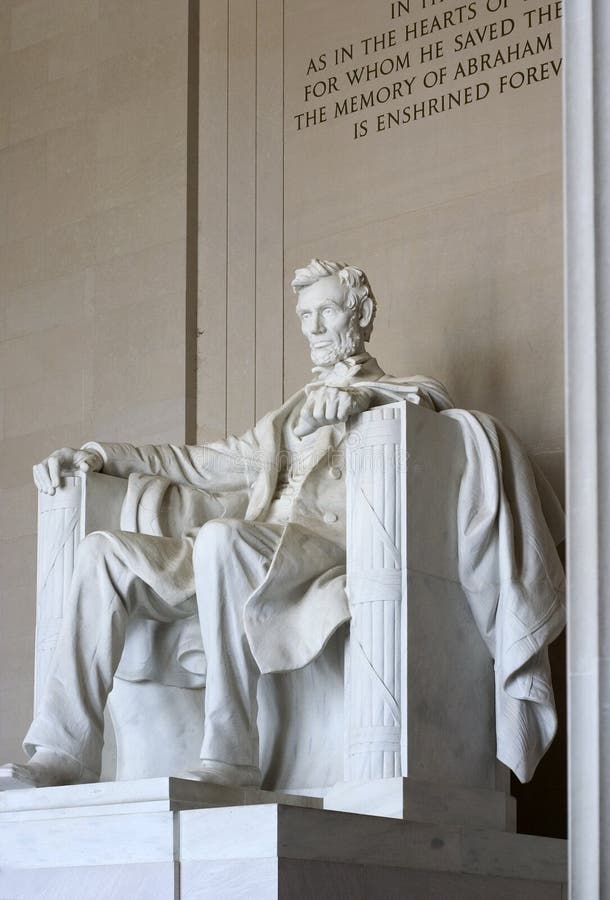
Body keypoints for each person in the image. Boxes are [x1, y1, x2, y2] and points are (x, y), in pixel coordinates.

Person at [0, 259, 450, 790]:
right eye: (305, 315)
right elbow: (195, 463)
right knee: (103, 552)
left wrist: (363, 397)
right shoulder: (286, 418)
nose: (312, 327)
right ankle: (64, 752)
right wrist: (97, 455)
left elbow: (433, 401)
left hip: (318, 549)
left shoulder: (401, 393)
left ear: (362, 313)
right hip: (244, 549)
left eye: (326, 311)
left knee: (221, 539)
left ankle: (231, 754)